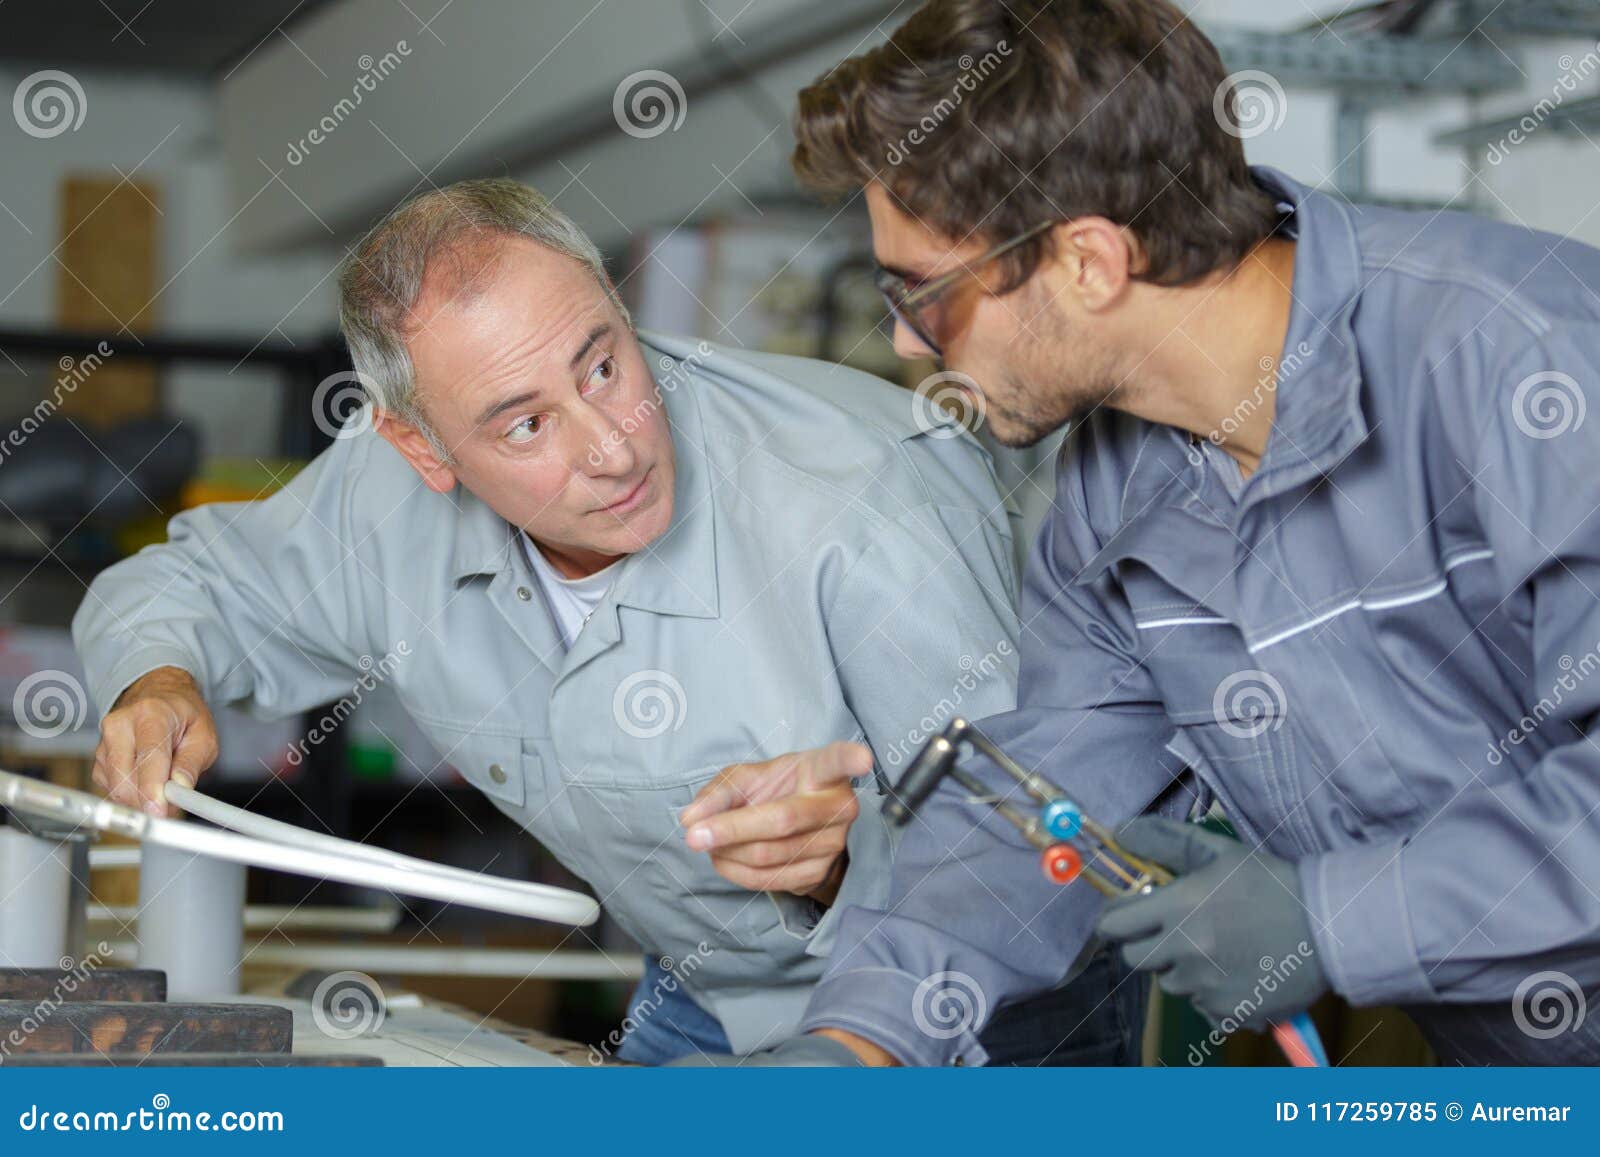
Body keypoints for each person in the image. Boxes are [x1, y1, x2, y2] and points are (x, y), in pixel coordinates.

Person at [704, 0, 1600, 1066]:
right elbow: (1038, 801)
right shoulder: (1112, 492)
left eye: (923, 293)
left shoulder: (1523, 360)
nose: (900, 337)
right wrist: (861, 1039)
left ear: (1087, 260)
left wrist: (1332, 916)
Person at [74, 177, 1143, 1065]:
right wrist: (156, 677)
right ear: (422, 449)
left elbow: (1030, 849)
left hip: (994, 1019)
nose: (613, 445)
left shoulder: (869, 494)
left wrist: (837, 862)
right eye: (526, 422)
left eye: (603, 362)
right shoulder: (380, 502)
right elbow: (185, 584)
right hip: (704, 987)